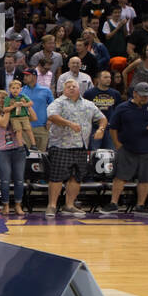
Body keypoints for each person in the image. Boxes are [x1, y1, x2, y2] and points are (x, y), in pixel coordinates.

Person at [44, 77, 106, 218]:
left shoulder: (89, 104)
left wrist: (101, 129)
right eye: (68, 86)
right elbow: (52, 116)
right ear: (64, 90)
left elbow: (102, 118)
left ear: (79, 89)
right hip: (61, 145)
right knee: (56, 177)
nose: (71, 88)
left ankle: (69, 205)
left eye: (74, 86)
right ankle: (52, 205)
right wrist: (69, 123)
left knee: (76, 177)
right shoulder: (58, 102)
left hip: (81, 145)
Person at [102, 81, 148, 214]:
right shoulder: (122, 107)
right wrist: (117, 144)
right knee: (121, 176)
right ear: (135, 94)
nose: (145, 98)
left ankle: (141, 205)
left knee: (145, 178)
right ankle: (113, 203)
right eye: (142, 96)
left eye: (147, 96)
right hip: (127, 148)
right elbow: (113, 127)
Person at [0, 89, 28, 217]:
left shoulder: (17, 110)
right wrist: (8, 109)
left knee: (19, 179)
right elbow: (4, 123)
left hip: (18, 148)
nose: (0, 100)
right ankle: (6, 205)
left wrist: (24, 104)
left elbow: (33, 117)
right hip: (2, 150)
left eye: (3, 98)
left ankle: (18, 205)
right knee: (5, 179)